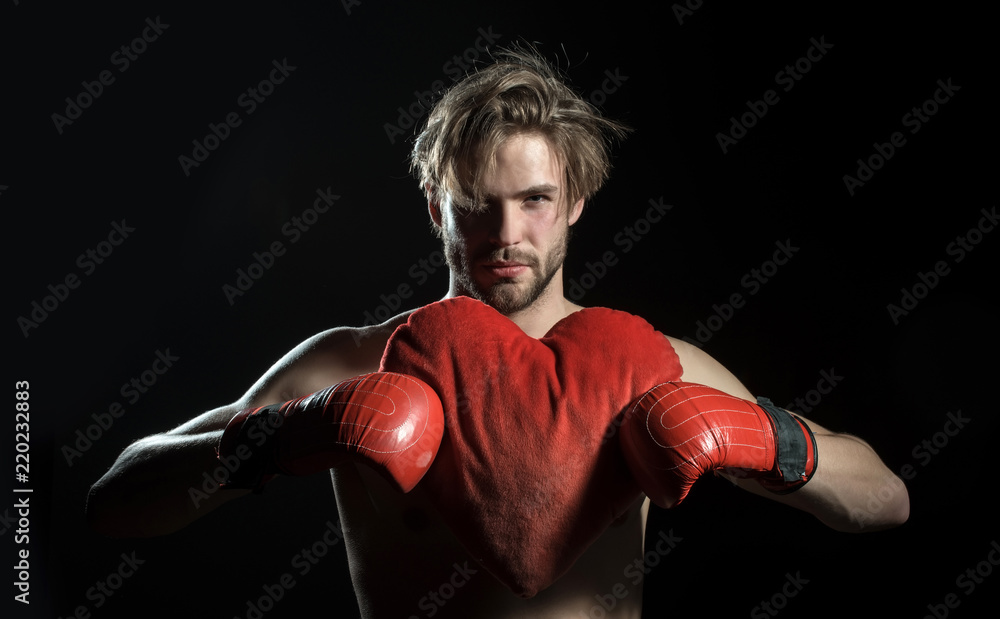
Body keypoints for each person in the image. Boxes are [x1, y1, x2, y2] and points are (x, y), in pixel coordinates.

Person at [87, 47, 909, 618]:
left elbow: (884, 499)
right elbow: (115, 503)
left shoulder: (651, 366)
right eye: (475, 203)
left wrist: (761, 439)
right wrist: (284, 436)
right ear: (435, 208)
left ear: (575, 201)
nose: (506, 233)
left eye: (534, 200)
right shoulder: (355, 359)